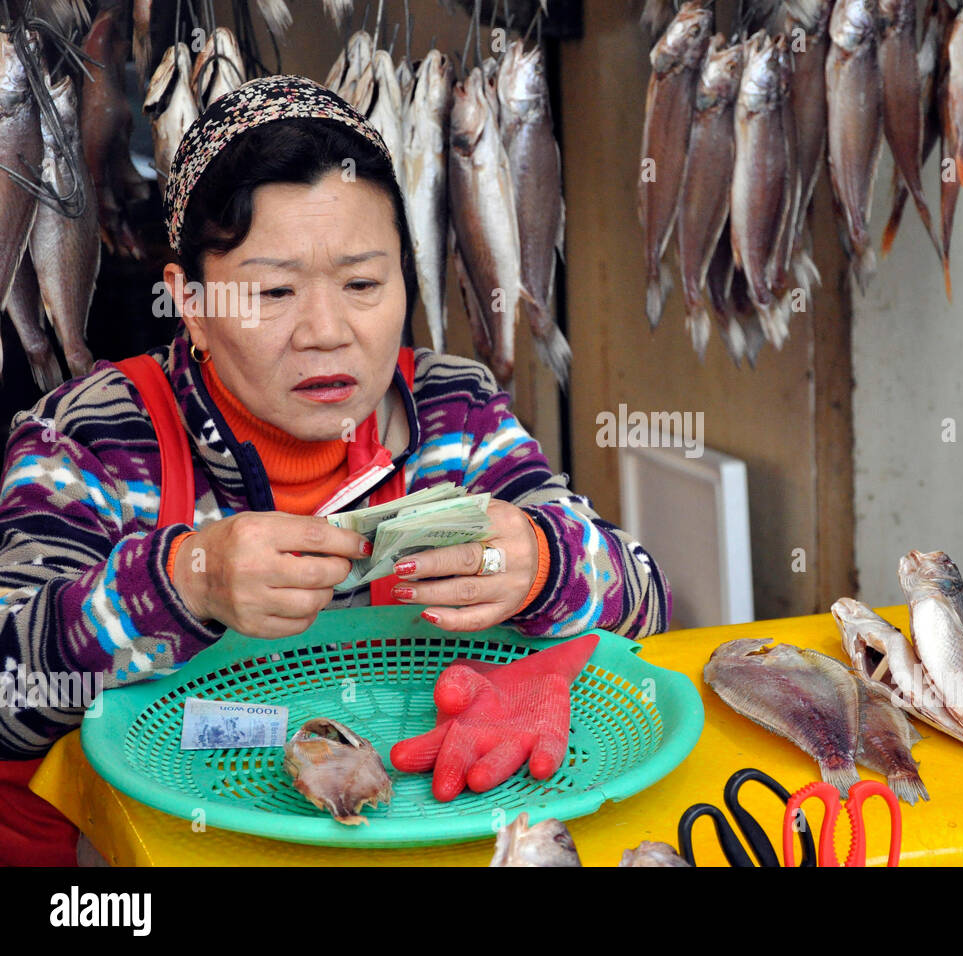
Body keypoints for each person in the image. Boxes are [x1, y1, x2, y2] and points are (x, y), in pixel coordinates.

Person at [0, 76, 671, 863]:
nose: (326, 331)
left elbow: (646, 609)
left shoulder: (456, 413)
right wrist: (183, 581)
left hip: (412, 827)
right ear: (191, 304)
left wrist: (547, 563)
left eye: (362, 284)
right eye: (274, 291)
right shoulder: (92, 440)